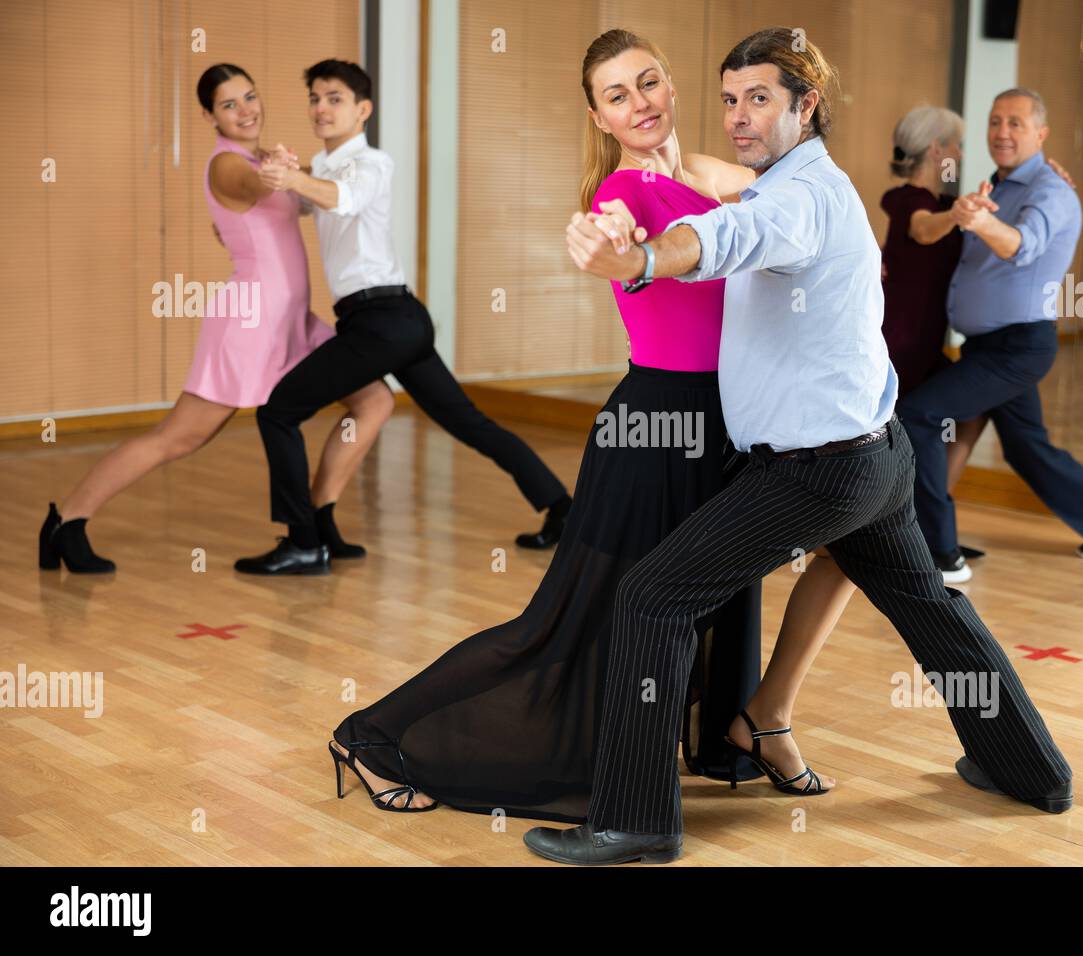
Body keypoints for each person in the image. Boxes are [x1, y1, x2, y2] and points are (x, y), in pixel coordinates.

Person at [526, 30, 1073, 866]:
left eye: (762, 100)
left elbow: (715, 244)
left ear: (805, 105)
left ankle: (635, 821)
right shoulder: (802, 179)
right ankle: (1030, 769)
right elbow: (723, 197)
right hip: (879, 456)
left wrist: (636, 259)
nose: (741, 117)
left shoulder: (792, 201)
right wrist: (664, 200)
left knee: (650, 599)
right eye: (732, 99)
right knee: (932, 609)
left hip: (818, 470)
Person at [327, 29, 859, 820]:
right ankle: (371, 733)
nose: (638, 103)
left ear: (672, 88)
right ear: (599, 116)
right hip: (653, 432)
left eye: (647, 83)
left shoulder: (719, 176)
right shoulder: (622, 197)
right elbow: (620, 242)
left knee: (715, 597)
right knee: (566, 620)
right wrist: (612, 247)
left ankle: (737, 735)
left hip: (723, 424)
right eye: (617, 95)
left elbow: (765, 221)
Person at [38, 64, 393, 574]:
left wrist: (287, 170)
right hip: (248, 323)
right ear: (209, 115)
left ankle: (318, 518)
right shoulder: (230, 164)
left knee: (374, 398)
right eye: (229, 104)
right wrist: (279, 171)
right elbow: (249, 184)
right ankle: (66, 521)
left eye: (250, 96)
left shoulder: (259, 157)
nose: (246, 110)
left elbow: (295, 200)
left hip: (292, 320)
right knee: (179, 437)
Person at [238, 60, 571, 575]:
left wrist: (296, 176)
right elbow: (303, 201)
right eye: (315, 99)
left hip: (384, 318)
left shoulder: (372, 164)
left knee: (278, 411)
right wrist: (278, 165)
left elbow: (343, 200)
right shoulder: (322, 168)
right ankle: (562, 509)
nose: (322, 108)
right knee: (467, 421)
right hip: (387, 321)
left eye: (335, 99)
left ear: (363, 110)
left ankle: (303, 540)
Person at [897, 89, 1083, 581]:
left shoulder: (1050, 191)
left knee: (920, 414)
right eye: (996, 121)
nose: (1001, 132)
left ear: (1040, 134)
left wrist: (983, 222)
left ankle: (938, 553)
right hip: (988, 344)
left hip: (1017, 346)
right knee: (1025, 446)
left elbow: (1021, 246)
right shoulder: (999, 185)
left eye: (1016, 123)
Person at [880, 105, 1076, 579]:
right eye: (958, 145)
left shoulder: (953, 201)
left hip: (933, 344)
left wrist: (1050, 185)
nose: (963, 153)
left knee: (970, 413)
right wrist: (958, 215)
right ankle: (931, 543)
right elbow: (924, 229)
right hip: (900, 341)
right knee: (910, 425)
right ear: (937, 150)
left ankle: (925, 523)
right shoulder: (909, 199)